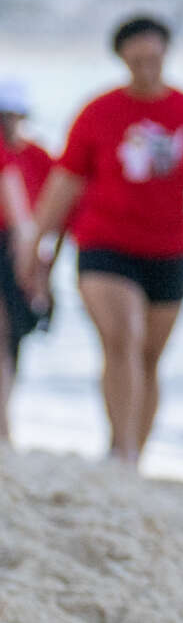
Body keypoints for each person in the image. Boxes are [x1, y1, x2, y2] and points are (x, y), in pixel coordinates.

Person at [18, 15, 183, 464]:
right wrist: (37, 241)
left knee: (149, 356)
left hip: (170, 249)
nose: (147, 67)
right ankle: (121, 447)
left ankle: (136, 452)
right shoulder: (98, 111)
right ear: (123, 60)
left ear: (166, 54)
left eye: (154, 58)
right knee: (122, 338)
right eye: (137, 60)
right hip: (104, 244)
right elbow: (65, 182)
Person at [0, 79, 51, 444]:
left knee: (13, 340)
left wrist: (38, 264)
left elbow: (57, 208)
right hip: (17, 245)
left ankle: (5, 425)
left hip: (22, 248)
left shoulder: (36, 156)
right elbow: (18, 210)